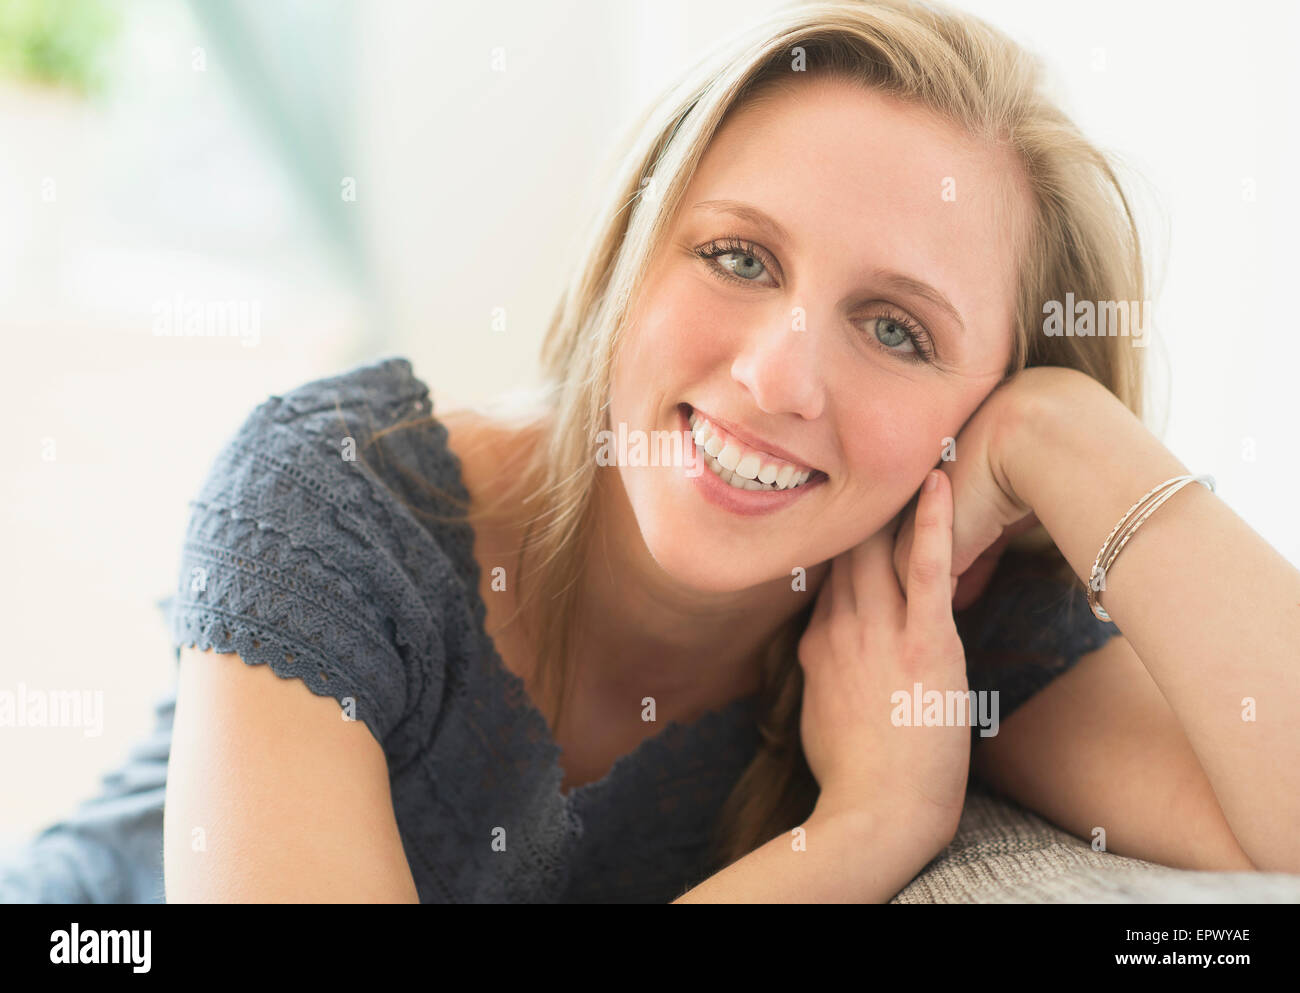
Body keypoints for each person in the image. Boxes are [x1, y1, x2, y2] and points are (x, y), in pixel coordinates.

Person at [4, 0, 1293, 904]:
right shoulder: (331, 505)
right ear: (632, 252)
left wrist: (1068, 434)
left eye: (898, 331)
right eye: (738, 256)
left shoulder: (944, 633)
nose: (778, 377)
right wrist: (858, 838)